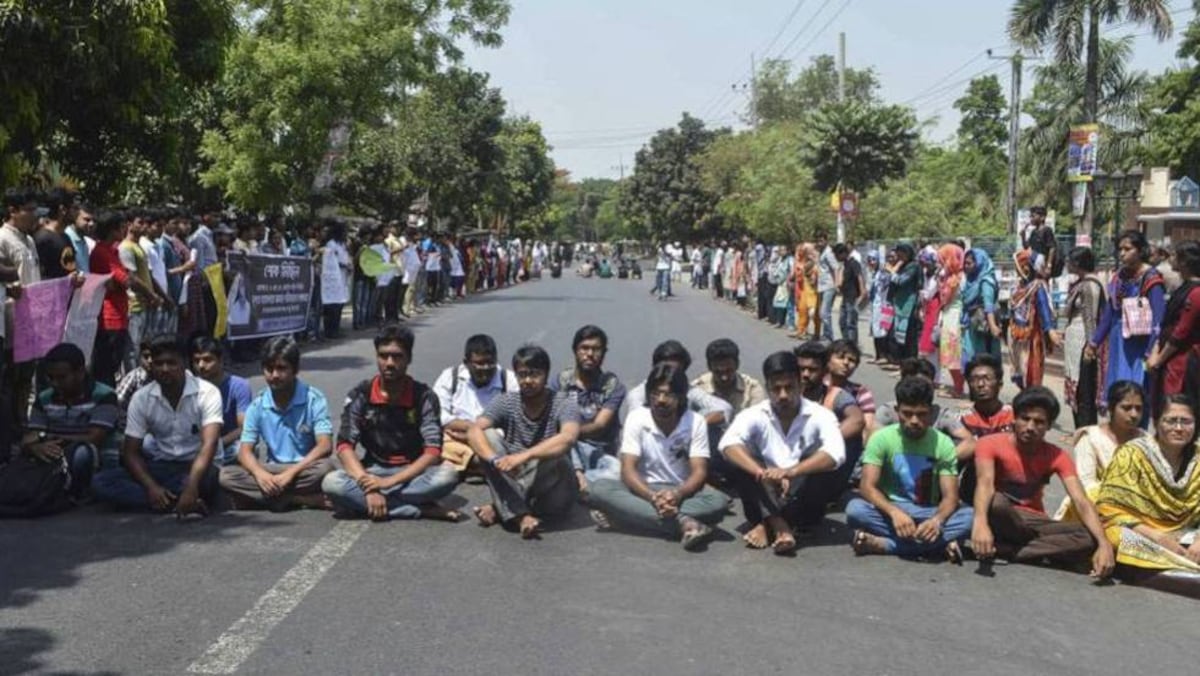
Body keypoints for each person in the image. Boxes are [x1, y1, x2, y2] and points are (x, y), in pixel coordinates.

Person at [970, 387, 1115, 577]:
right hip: (1001, 515)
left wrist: (1104, 544)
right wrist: (980, 523)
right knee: (996, 503)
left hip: (1033, 522)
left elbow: (1080, 500)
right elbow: (985, 484)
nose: (1030, 427)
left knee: (1089, 537)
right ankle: (1043, 551)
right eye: (1025, 418)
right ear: (1014, 418)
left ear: (1048, 426)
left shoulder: (1057, 456)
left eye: (1039, 422)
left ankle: (1006, 550)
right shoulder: (989, 444)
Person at [319, 325, 458, 520]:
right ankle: (420, 509)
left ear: (409, 358)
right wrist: (368, 486)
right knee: (331, 483)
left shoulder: (424, 397)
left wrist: (387, 484)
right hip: (372, 470)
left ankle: (364, 505)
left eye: (397, 356)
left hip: (412, 473)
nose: (389, 363)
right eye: (383, 356)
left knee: (448, 476)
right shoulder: (361, 395)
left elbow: (433, 452)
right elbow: (344, 446)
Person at [587, 363, 731, 550]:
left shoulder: (695, 421)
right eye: (655, 394)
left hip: (682, 492)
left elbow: (699, 471)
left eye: (668, 394)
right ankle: (684, 523)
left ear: (680, 397)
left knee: (718, 503)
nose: (661, 400)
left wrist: (677, 495)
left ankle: (625, 518)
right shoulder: (637, 418)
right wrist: (653, 497)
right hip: (642, 489)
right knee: (600, 489)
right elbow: (628, 470)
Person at [718, 351, 845, 554]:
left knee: (818, 454)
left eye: (789, 387)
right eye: (776, 389)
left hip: (802, 503)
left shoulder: (821, 415)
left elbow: (835, 453)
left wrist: (791, 472)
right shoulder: (755, 414)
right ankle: (779, 525)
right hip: (763, 491)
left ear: (799, 385)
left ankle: (766, 523)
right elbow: (728, 444)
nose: (783, 395)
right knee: (741, 454)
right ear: (767, 388)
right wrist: (763, 473)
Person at [92, 335, 223, 514]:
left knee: (209, 481)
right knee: (101, 482)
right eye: (159, 363)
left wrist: (192, 486)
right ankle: (175, 502)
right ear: (151, 365)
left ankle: (172, 500)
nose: (165, 369)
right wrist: (151, 487)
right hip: (162, 466)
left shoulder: (207, 393)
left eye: (171, 363)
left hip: (198, 468)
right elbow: (130, 452)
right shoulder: (142, 398)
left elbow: (210, 444)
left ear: (184, 363)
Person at [847, 377, 973, 560]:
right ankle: (937, 547)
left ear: (931, 413)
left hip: (928, 511)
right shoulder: (881, 438)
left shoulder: (943, 443)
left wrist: (936, 521)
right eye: (907, 413)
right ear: (897, 411)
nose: (914, 420)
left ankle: (885, 545)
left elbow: (951, 497)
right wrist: (895, 513)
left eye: (921, 414)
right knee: (855, 509)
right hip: (890, 508)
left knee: (971, 517)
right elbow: (867, 487)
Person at [469, 345, 581, 539]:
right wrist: (495, 460)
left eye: (535, 374)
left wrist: (524, 456)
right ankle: (521, 515)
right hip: (513, 475)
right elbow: (474, 430)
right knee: (488, 436)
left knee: (557, 453)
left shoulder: (563, 403)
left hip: (553, 493)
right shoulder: (507, 401)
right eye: (522, 375)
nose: (528, 381)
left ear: (546, 375)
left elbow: (568, 437)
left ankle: (501, 507)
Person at [1096, 394, 1200, 596]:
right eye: (1171, 420)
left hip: (1186, 533)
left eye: (1186, 422)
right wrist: (1158, 537)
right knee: (1119, 538)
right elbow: (1108, 507)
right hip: (1142, 533)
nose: (1178, 428)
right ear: (1156, 422)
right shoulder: (1133, 453)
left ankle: (1179, 570)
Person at [219, 337, 334, 511]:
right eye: (269, 369)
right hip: (272, 470)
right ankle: (297, 499)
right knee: (225, 476)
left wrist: (291, 473)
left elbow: (325, 446)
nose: (274, 375)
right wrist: (260, 475)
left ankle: (267, 498)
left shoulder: (314, 399)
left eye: (281, 369)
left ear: (295, 370)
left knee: (326, 469)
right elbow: (244, 451)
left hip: (304, 469)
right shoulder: (258, 405)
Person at [20, 343, 120, 500]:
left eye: (61, 378)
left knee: (81, 454)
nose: (55, 383)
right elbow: (30, 438)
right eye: (51, 378)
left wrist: (49, 438)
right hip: (57, 452)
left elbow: (94, 438)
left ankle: (76, 491)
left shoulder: (104, 395)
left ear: (80, 372)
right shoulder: (44, 398)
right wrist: (36, 447)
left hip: (96, 456)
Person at [1085, 230, 1166, 415]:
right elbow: (1109, 313)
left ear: (1140, 250)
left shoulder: (1151, 278)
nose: (1122, 253)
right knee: (1117, 387)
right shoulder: (1119, 277)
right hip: (1117, 341)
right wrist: (1094, 342)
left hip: (1139, 344)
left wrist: (1152, 349)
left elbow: (1158, 318)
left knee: (1136, 388)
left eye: (1127, 249)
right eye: (1120, 249)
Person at [792, 341, 865, 527]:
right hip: (788, 459)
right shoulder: (786, 393)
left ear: (824, 371)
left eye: (812, 369)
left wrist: (822, 443)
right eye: (801, 369)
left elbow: (857, 421)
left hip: (819, 465)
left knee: (852, 439)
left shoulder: (836, 395)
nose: (806, 374)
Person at [1054, 380, 1146, 521]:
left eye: (1138, 409)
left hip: (1136, 511)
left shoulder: (1146, 440)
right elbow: (1086, 485)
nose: (1133, 414)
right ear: (1111, 408)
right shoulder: (1091, 438)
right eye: (1126, 408)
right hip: (1093, 511)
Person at [551, 325, 627, 494]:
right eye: (584, 348)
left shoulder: (613, 386)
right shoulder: (560, 382)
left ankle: (573, 482)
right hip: (566, 448)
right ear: (575, 350)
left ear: (604, 353)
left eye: (596, 349)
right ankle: (582, 485)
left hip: (598, 452)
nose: (590, 354)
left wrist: (569, 431)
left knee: (617, 472)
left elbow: (599, 425)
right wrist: (567, 435)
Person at [433, 334, 519, 473]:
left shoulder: (508, 380)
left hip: (493, 440)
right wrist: (469, 428)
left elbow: (516, 419)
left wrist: (476, 434)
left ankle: (472, 465)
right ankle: (480, 465)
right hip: (456, 438)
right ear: (466, 362)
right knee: (431, 441)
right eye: (479, 363)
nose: (485, 368)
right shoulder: (450, 376)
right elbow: (437, 413)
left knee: (493, 437)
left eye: (490, 363)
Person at [1146, 240, 1200, 417]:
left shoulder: (1196, 292)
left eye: (1175, 256)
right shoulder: (1182, 287)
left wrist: (1159, 359)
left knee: (1176, 406)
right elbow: (1166, 325)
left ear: (1185, 261)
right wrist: (1156, 351)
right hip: (1169, 358)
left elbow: (1181, 332)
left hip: (1183, 361)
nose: (1171, 259)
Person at [1062, 246, 1106, 428]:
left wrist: (1091, 344)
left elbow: (1091, 317)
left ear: (1078, 263)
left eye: (1070, 261)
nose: (1067, 264)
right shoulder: (1081, 283)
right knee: (1078, 388)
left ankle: (1086, 429)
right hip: (1075, 341)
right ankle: (1079, 428)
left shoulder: (1090, 285)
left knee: (1084, 389)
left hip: (1083, 342)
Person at [88, 210, 133, 387]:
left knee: (111, 366)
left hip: (119, 314)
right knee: (105, 367)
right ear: (112, 230)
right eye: (122, 227)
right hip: (109, 318)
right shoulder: (102, 252)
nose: (125, 231)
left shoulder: (112, 251)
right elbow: (125, 280)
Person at [190, 336, 252, 465]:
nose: (201, 365)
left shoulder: (239, 386)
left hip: (225, 444)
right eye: (197, 360)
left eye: (207, 360)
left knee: (241, 448)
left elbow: (244, 428)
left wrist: (215, 444)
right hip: (194, 445)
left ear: (221, 360)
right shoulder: (189, 386)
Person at [1009, 249, 1060, 389]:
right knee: (1020, 367)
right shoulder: (1019, 286)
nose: (1017, 270)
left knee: (1031, 367)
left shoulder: (1037, 286)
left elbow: (1043, 307)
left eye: (1019, 266)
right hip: (1017, 334)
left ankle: (1032, 396)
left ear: (1027, 267)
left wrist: (1049, 329)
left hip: (1032, 335)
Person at [692, 338, 766, 416]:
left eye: (729, 371)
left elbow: (758, 420)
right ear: (709, 367)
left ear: (737, 365)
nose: (724, 377)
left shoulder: (752, 389)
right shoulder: (697, 389)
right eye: (718, 372)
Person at [959, 248, 1002, 368]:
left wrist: (993, 326)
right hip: (972, 326)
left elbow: (988, 306)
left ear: (979, 263)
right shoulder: (970, 281)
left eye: (969, 263)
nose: (966, 266)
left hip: (982, 328)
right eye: (965, 263)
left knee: (981, 361)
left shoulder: (985, 282)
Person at [827, 339, 877, 440]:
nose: (846, 363)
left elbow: (867, 427)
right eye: (840, 357)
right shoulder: (816, 386)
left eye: (851, 360)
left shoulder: (860, 393)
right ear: (828, 360)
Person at [936, 243, 966, 397]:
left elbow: (945, 299)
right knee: (952, 354)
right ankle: (957, 386)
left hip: (954, 318)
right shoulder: (956, 276)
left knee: (953, 354)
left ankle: (958, 388)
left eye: (943, 259)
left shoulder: (955, 279)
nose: (941, 263)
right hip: (952, 316)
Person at [887, 244, 922, 364]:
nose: (900, 256)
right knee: (898, 336)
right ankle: (901, 363)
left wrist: (893, 271)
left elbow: (901, 281)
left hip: (910, 305)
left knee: (909, 337)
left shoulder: (913, 266)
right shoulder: (902, 266)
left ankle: (910, 364)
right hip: (899, 305)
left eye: (902, 253)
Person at [834, 243, 865, 345]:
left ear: (843, 253)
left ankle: (852, 346)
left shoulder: (854, 263)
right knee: (842, 322)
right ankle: (847, 343)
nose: (836, 257)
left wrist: (862, 292)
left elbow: (859, 277)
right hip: (845, 297)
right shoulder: (845, 264)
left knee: (850, 323)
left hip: (853, 297)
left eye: (837, 255)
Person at [867, 252, 894, 365]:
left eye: (874, 259)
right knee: (875, 330)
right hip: (875, 305)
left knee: (883, 330)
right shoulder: (873, 273)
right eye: (869, 260)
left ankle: (885, 356)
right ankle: (877, 355)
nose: (871, 262)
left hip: (884, 305)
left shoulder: (884, 273)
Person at [816, 232, 837, 341]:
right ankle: (826, 334)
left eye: (822, 241)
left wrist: (837, 284)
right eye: (818, 241)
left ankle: (830, 336)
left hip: (829, 285)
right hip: (822, 285)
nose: (820, 243)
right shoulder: (821, 252)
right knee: (822, 313)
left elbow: (835, 268)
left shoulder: (829, 253)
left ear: (826, 241)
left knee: (824, 312)